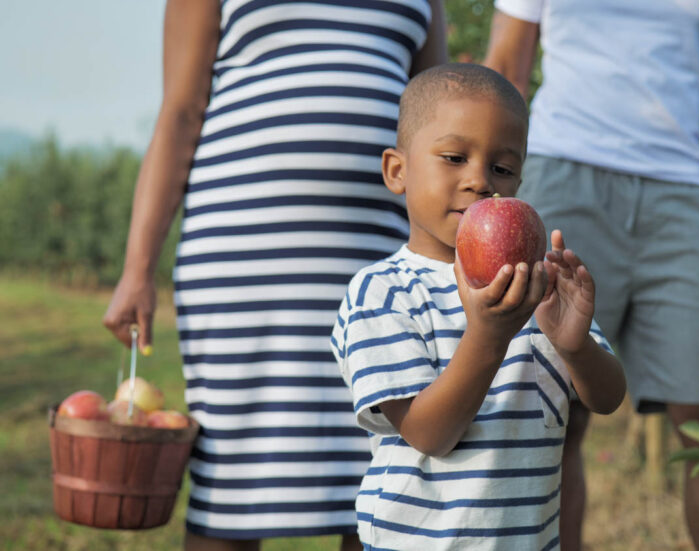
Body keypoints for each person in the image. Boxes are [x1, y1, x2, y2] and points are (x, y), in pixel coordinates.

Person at [101, 1, 446, 549]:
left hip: (383, 266)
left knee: (391, 485)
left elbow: (439, 114)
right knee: (233, 488)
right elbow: (181, 111)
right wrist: (137, 268)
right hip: (244, 253)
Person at [483, 1, 699, 550]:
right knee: (554, 415)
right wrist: (489, 203)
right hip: (561, 174)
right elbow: (505, 67)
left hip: (681, 194)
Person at [330, 63, 626, 550]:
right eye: (453, 157)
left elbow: (608, 398)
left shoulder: (536, 287)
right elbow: (428, 433)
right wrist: (488, 337)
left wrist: (576, 347)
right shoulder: (383, 292)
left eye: (503, 168)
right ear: (397, 171)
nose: (479, 180)